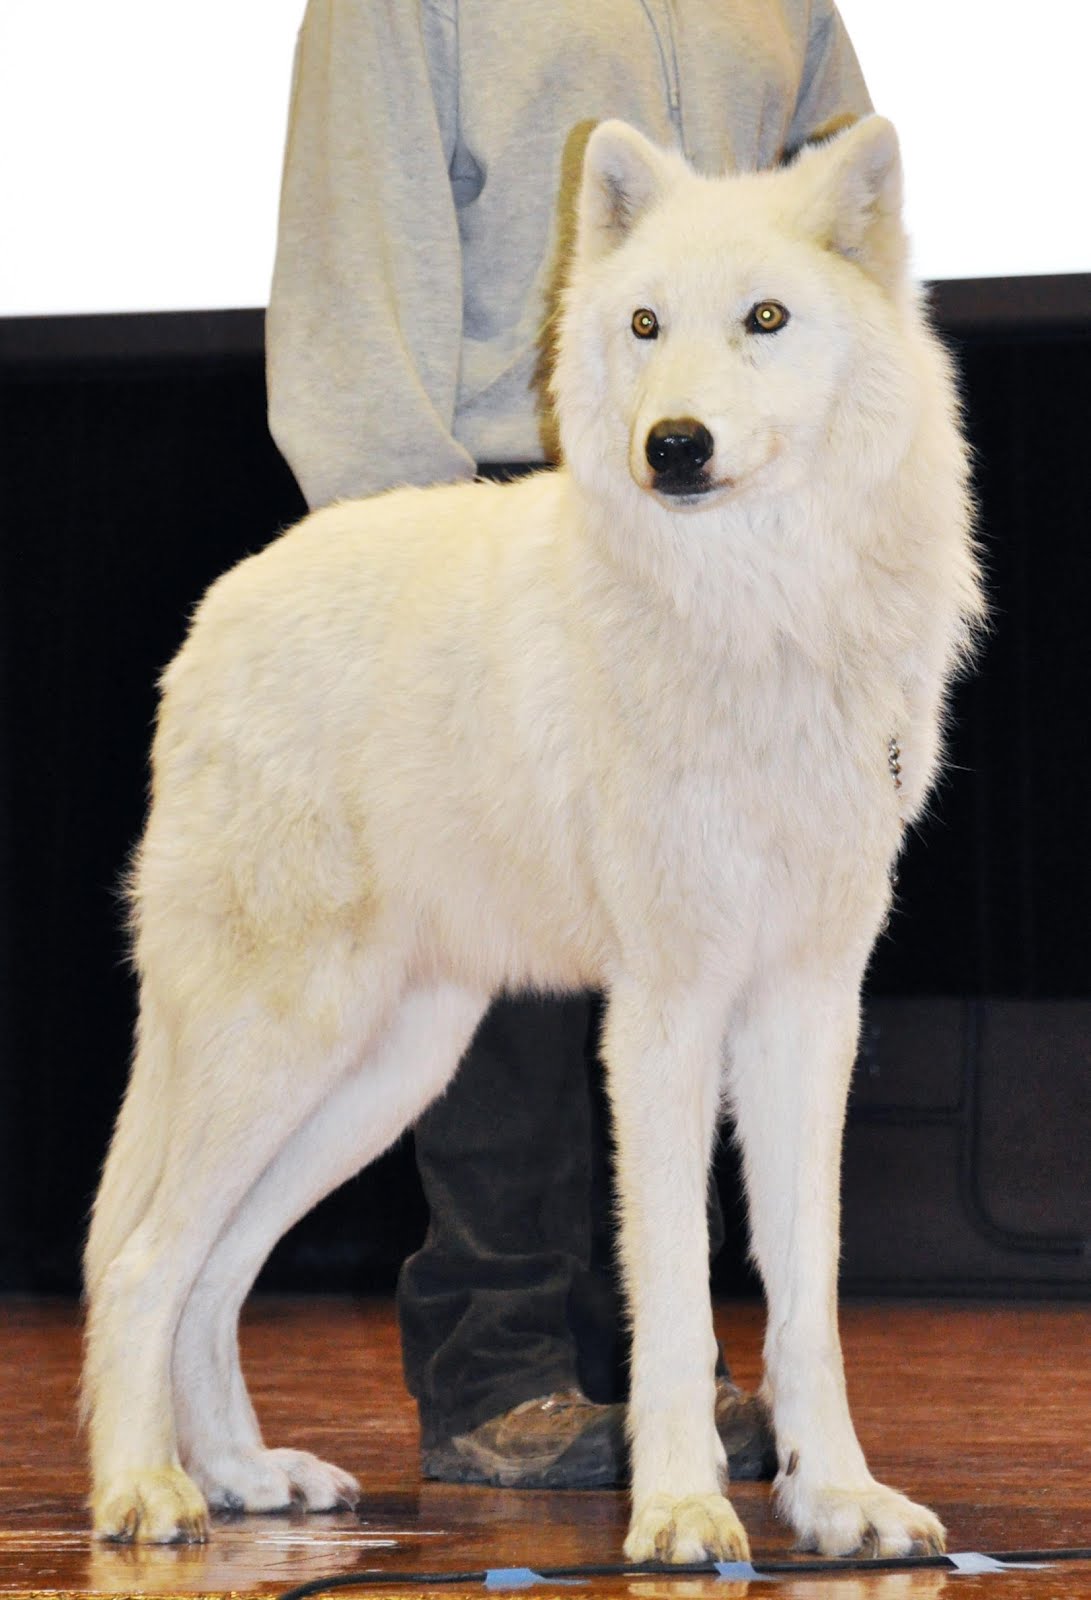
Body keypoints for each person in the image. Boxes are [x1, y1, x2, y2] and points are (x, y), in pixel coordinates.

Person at [266, 0, 872, 1489]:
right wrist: (401, 564)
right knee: (504, 1001)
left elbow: (844, 197)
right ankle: (501, 1372)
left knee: (706, 975)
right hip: (497, 512)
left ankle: (666, 1375)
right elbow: (357, 271)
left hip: (746, 525)